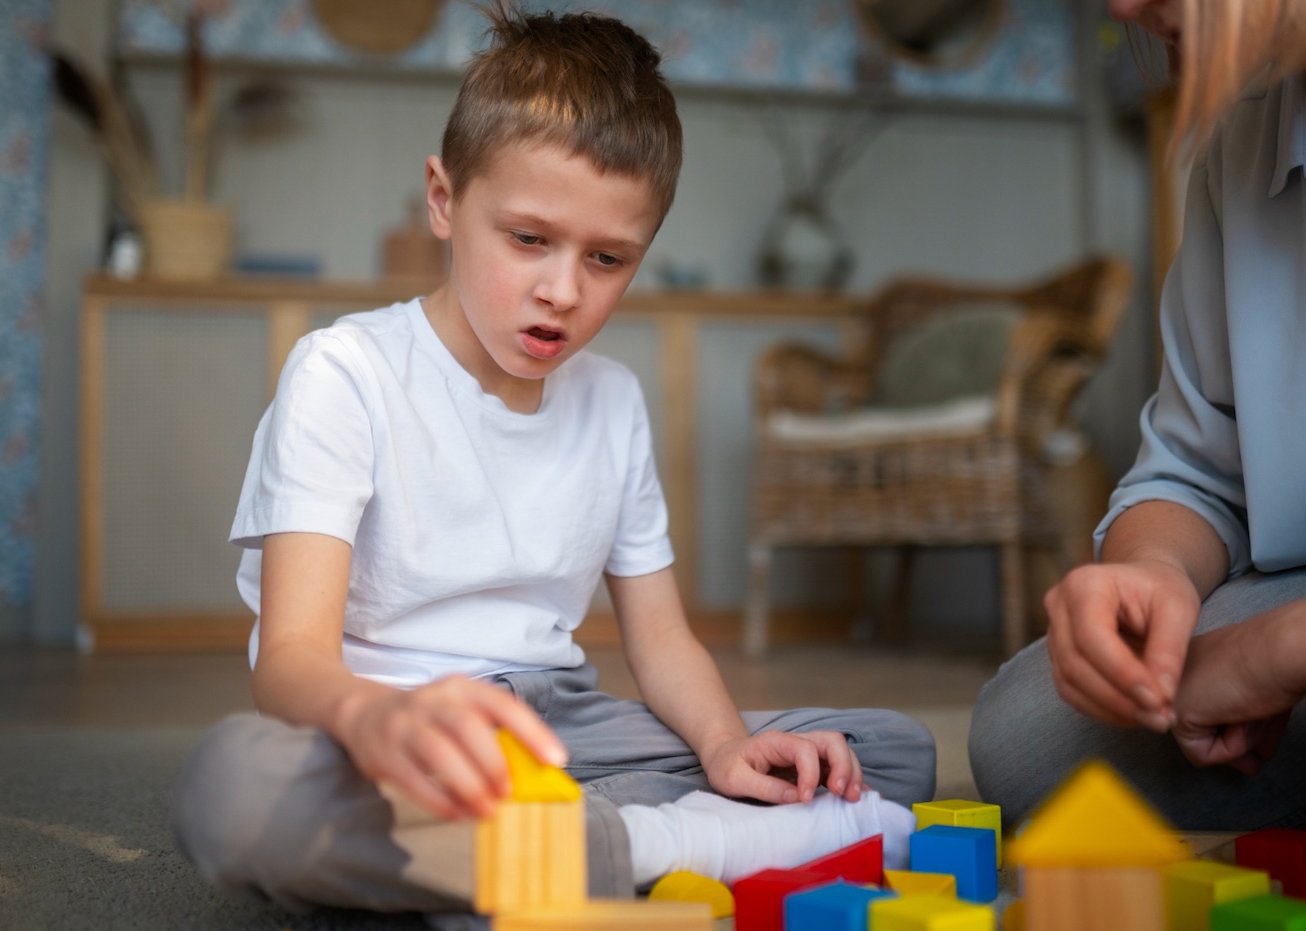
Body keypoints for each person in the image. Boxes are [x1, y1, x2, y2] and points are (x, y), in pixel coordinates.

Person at [172, 7, 935, 921]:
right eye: (529, 238)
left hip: (563, 732)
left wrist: (728, 745)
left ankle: (516, 861)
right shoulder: (346, 373)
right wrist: (376, 720)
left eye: (608, 258)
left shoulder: (612, 401)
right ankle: (668, 843)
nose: (563, 291)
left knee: (886, 753)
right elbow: (290, 660)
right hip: (396, 731)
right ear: (445, 199)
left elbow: (660, 639)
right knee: (233, 789)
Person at [969, 0, 1306, 834]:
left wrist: (1278, 650)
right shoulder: (1243, 142)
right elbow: (1197, 468)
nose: (1120, 8)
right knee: (1030, 737)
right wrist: (1154, 570)